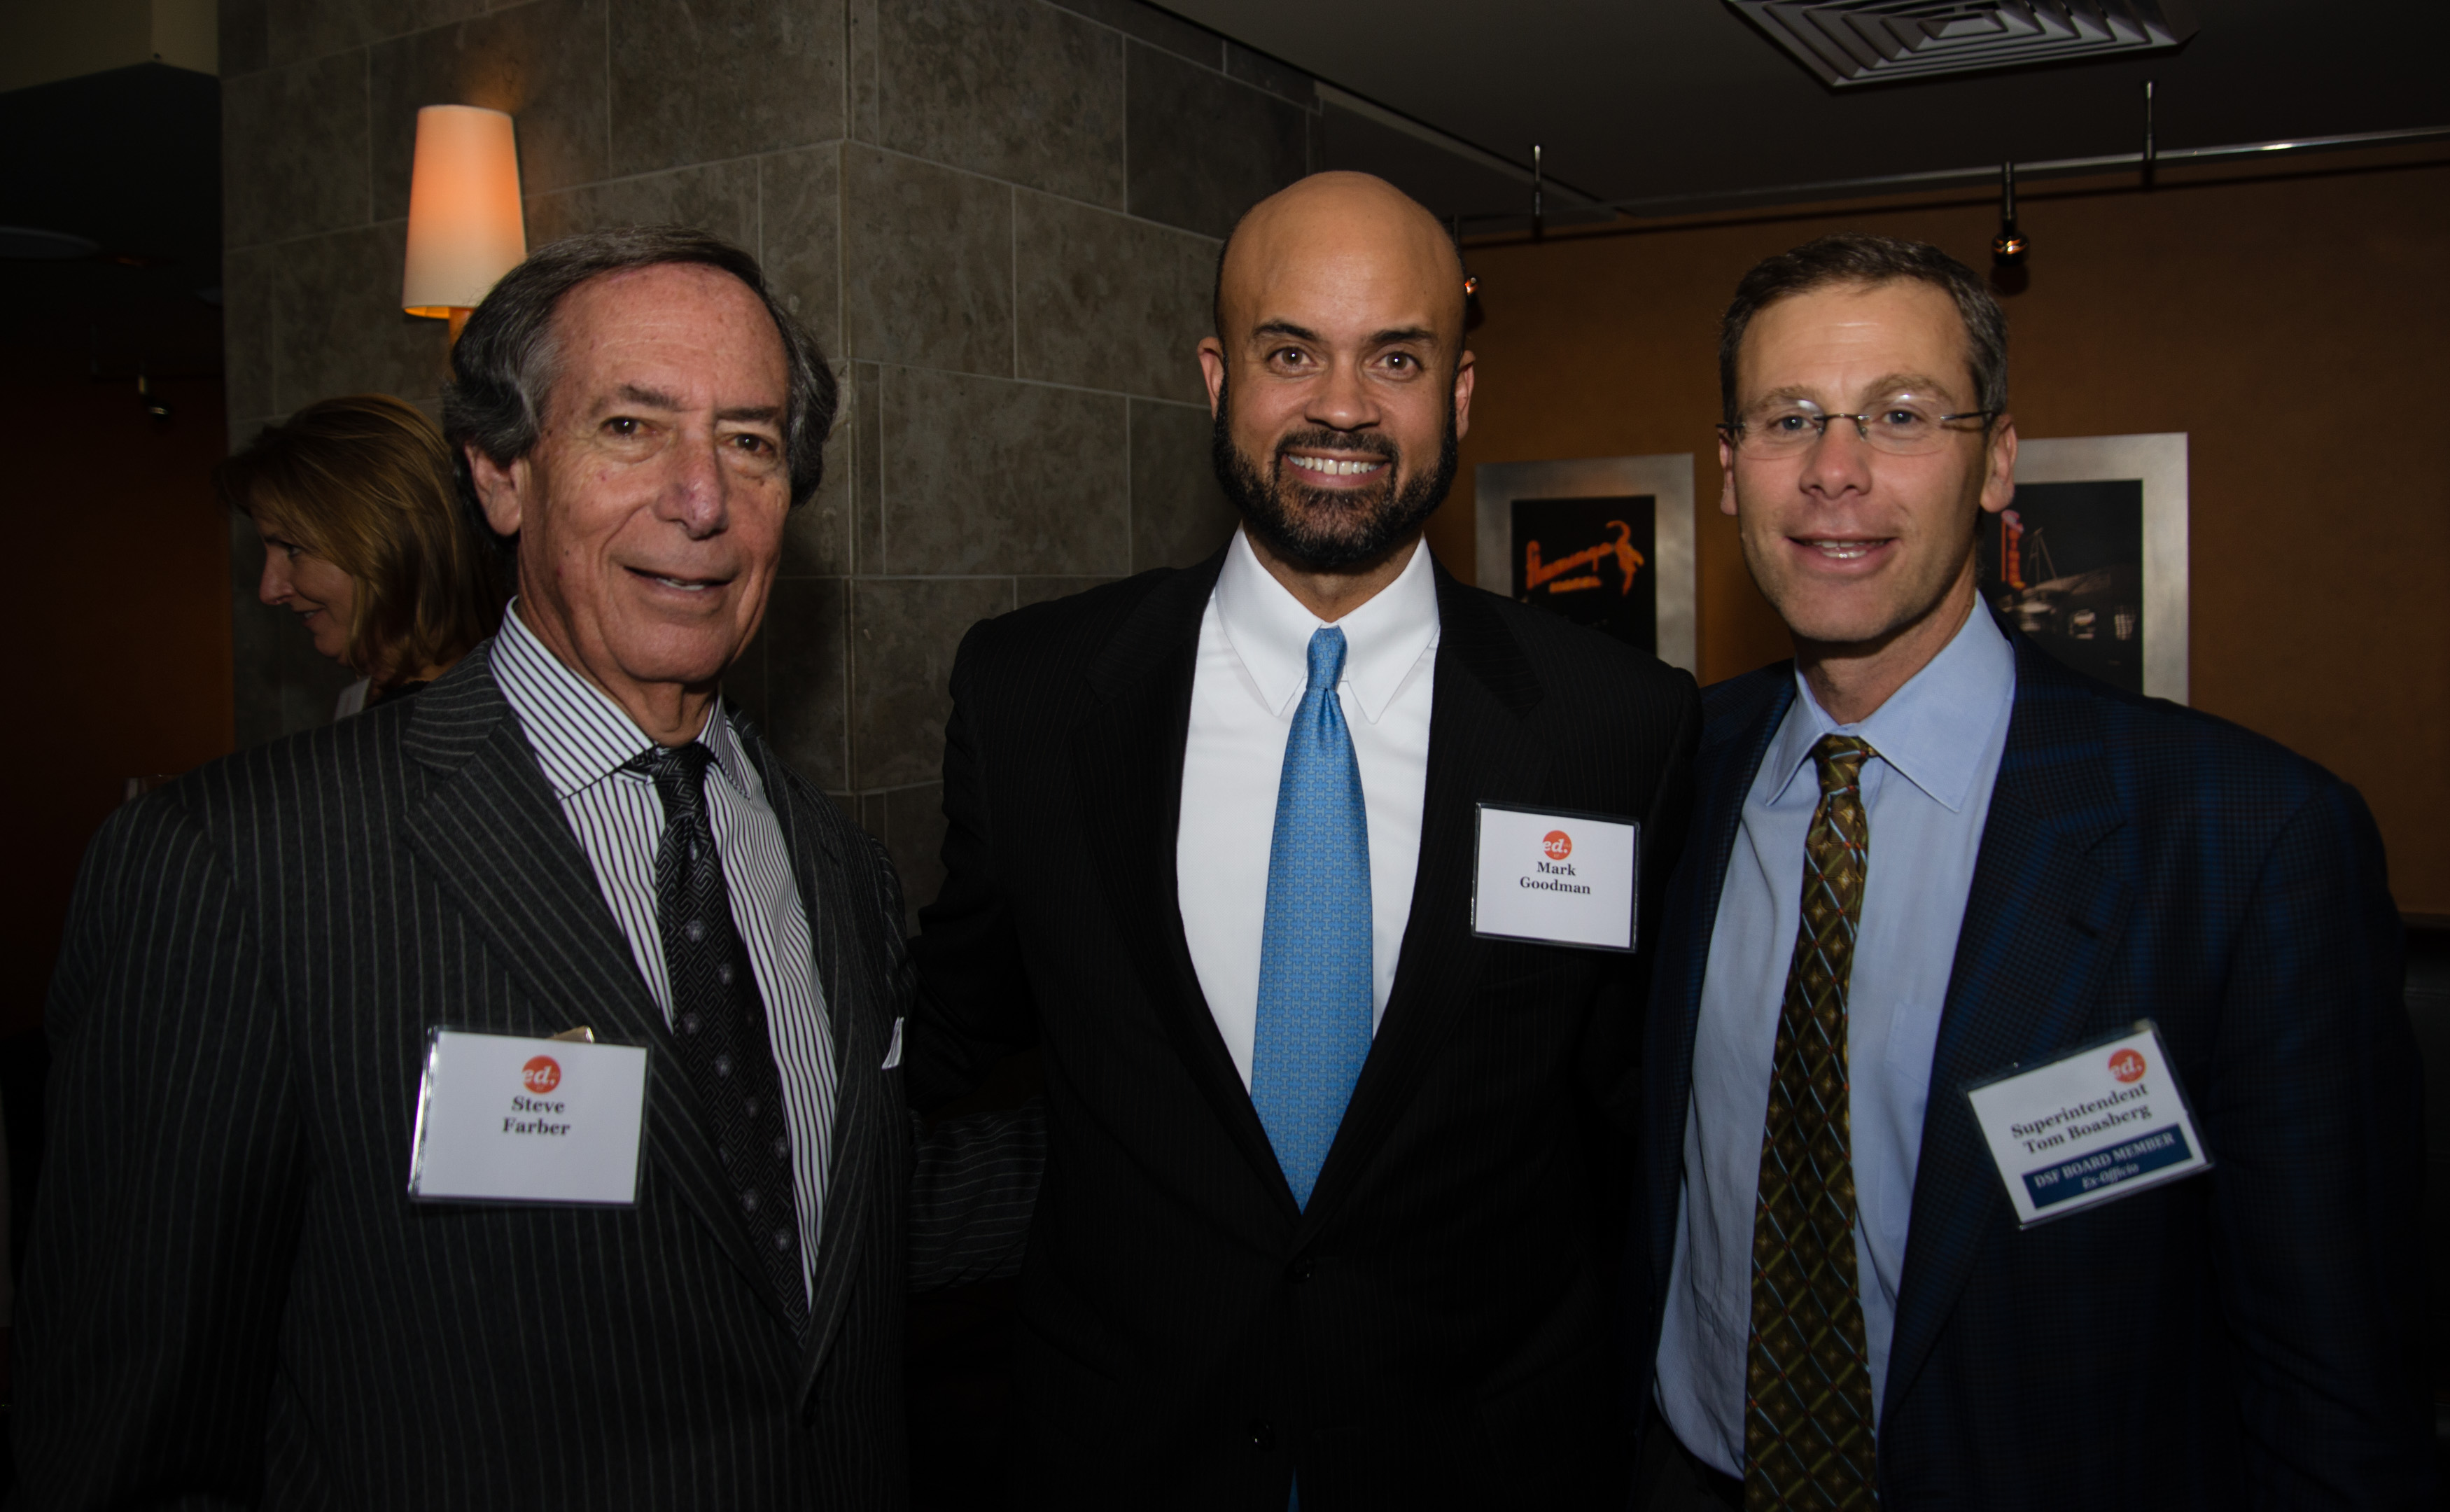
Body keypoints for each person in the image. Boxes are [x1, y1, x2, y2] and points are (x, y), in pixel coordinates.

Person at [17, 226, 1042, 1508]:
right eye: (630, 427)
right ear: (500, 475)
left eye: (750, 441)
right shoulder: (239, 872)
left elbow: (812, 1212)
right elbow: (126, 1446)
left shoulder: (833, 869)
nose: (703, 498)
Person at [902, 171, 1700, 1506]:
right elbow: (944, 1029)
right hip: (1125, 1457)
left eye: (1397, 356)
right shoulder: (1032, 694)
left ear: (1457, 392)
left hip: (1483, 1460)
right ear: (1218, 379)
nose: (1343, 405)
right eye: (1292, 353)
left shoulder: (1615, 727)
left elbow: (1643, 1118)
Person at [1633, 232, 2430, 1509]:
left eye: (1901, 416)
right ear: (1730, 472)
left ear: (1998, 462)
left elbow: (2333, 1382)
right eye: (1789, 420)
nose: (1836, 473)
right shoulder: (1668, 775)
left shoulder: (2246, 841)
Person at [220, 393, 507, 716]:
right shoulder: (370, 700)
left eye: (292, 549)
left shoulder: (451, 726)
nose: (269, 590)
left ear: (388, 540)